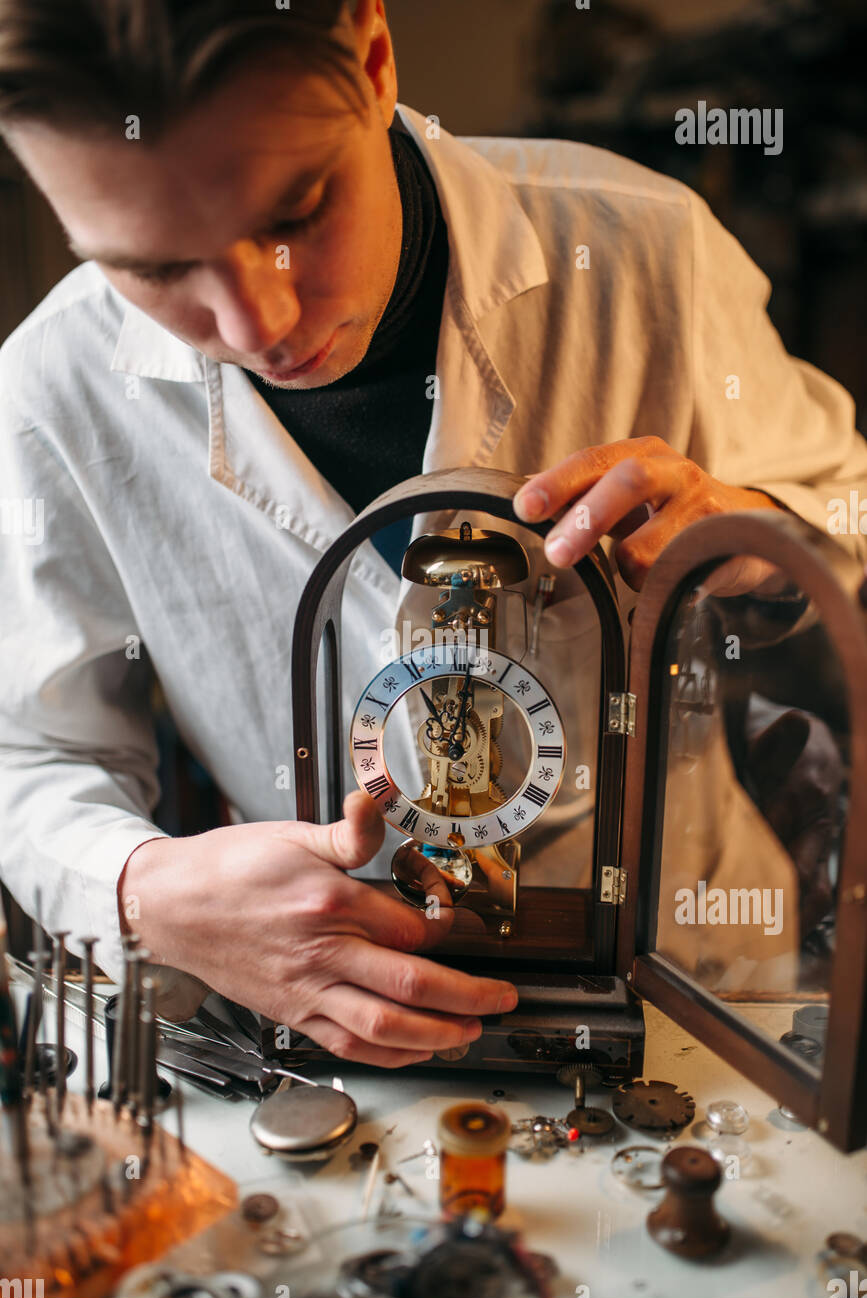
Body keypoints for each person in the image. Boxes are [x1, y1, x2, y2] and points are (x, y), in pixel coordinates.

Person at [0, 0, 864, 1065]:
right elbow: (32, 750)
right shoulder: (54, 387)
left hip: (693, 989)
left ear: (373, 56)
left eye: (295, 212)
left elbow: (845, 509)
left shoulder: (648, 249)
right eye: (156, 268)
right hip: (332, 1023)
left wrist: (757, 540)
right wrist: (136, 889)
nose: (259, 322)